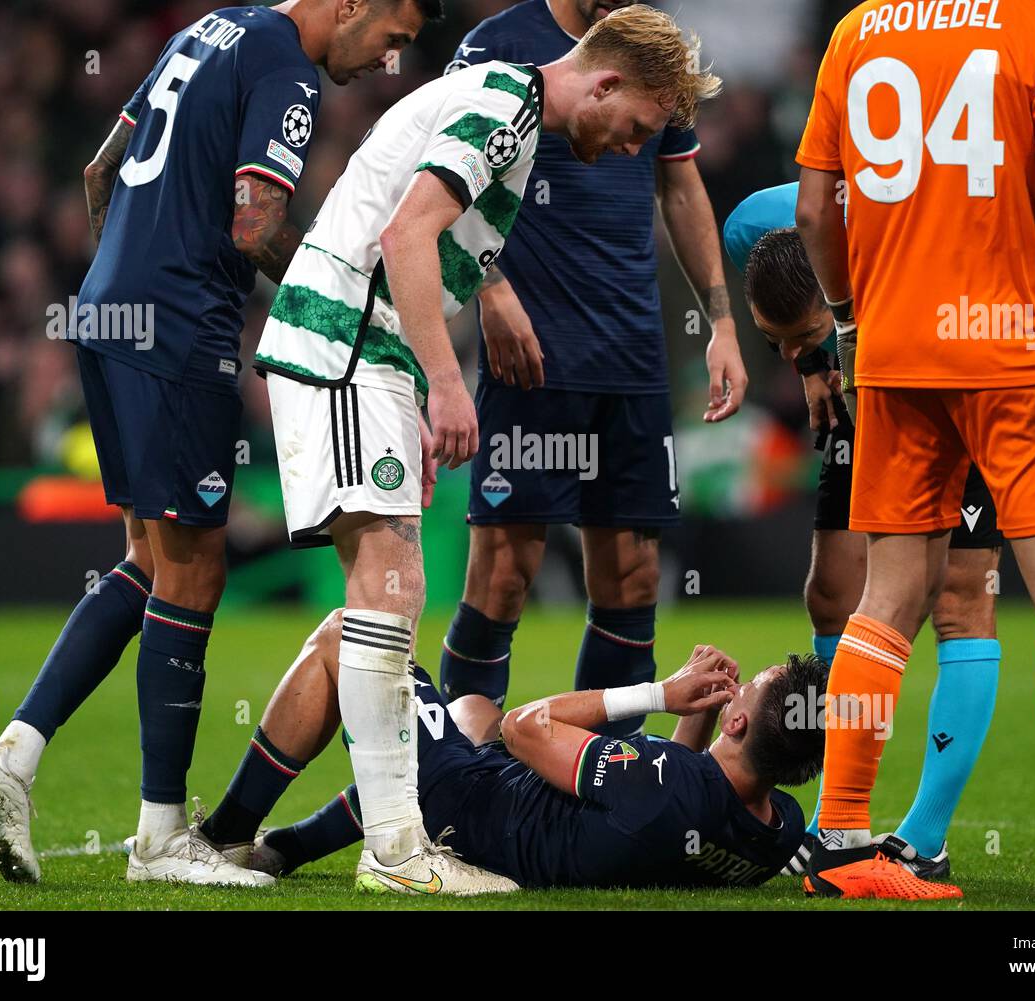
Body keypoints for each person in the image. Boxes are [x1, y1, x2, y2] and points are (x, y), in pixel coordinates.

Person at [199, 5, 722, 895]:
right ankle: (396, 848)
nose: (634, 149)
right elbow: (406, 235)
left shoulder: (502, 103)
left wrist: (412, 387)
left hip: (365, 353)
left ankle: (278, 836)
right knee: (392, 591)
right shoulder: (510, 108)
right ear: (603, 83)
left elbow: (427, 237)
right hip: (345, 345)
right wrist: (444, 382)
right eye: (635, 127)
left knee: (379, 605)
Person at [0, 0, 438, 887]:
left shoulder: (209, 29)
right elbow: (253, 225)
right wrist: (344, 303)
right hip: (177, 329)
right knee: (196, 572)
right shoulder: (287, 67)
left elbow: (103, 168)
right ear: (355, 4)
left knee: (147, 559)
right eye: (394, 35)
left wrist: (130, 268)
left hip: (108, 308)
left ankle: (13, 757)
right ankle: (163, 837)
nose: (389, 59)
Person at [794, 0, 1035, 901]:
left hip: (895, 354)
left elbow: (817, 208)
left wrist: (853, 321)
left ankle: (843, 840)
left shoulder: (860, 30)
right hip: (1019, 358)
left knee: (885, 599)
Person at [436, 0, 748, 735]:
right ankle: (457, 775)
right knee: (505, 573)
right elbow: (439, 179)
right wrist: (489, 286)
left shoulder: (652, 52)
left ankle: (596, 786)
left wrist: (722, 321)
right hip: (532, 355)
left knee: (633, 577)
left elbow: (681, 185)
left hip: (631, 354)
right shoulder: (497, 47)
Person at [723, 184, 1002, 878]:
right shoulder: (792, 225)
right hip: (868, 401)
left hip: (961, 383)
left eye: (803, 340)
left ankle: (924, 837)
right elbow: (746, 222)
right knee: (832, 594)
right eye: (775, 345)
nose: (788, 358)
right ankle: (835, 820)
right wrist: (818, 361)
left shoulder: (934, 222)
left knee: (961, 601)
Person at [210, 610, 824, 891]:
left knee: (350, 636)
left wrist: (661, 692)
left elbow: (525, 730)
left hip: (474, 812)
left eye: (742, 692)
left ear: (739, 720)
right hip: (523, 815)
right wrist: (703, 714)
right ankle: (284, 850)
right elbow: (698, 793)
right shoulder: (776, 832)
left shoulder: (656, 782)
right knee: (472, 708)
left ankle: (225, 838)